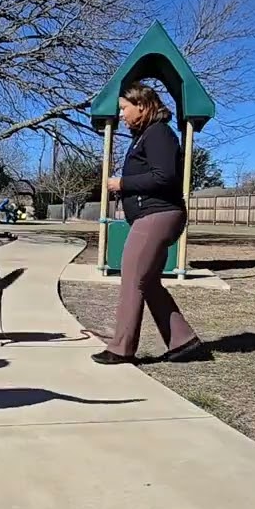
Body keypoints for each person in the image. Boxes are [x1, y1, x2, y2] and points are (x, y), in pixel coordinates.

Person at [92, 83, 204, 365]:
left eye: (124, 108)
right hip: (153, 215)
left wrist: (123, 183)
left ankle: (121, 348)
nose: (122, 115)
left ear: (141, 105)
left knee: (132, 279)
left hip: (158, 216)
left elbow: (164, 176)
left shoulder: (158, 134)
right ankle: (184, 342)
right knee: (149, 282)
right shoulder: (146, 136)